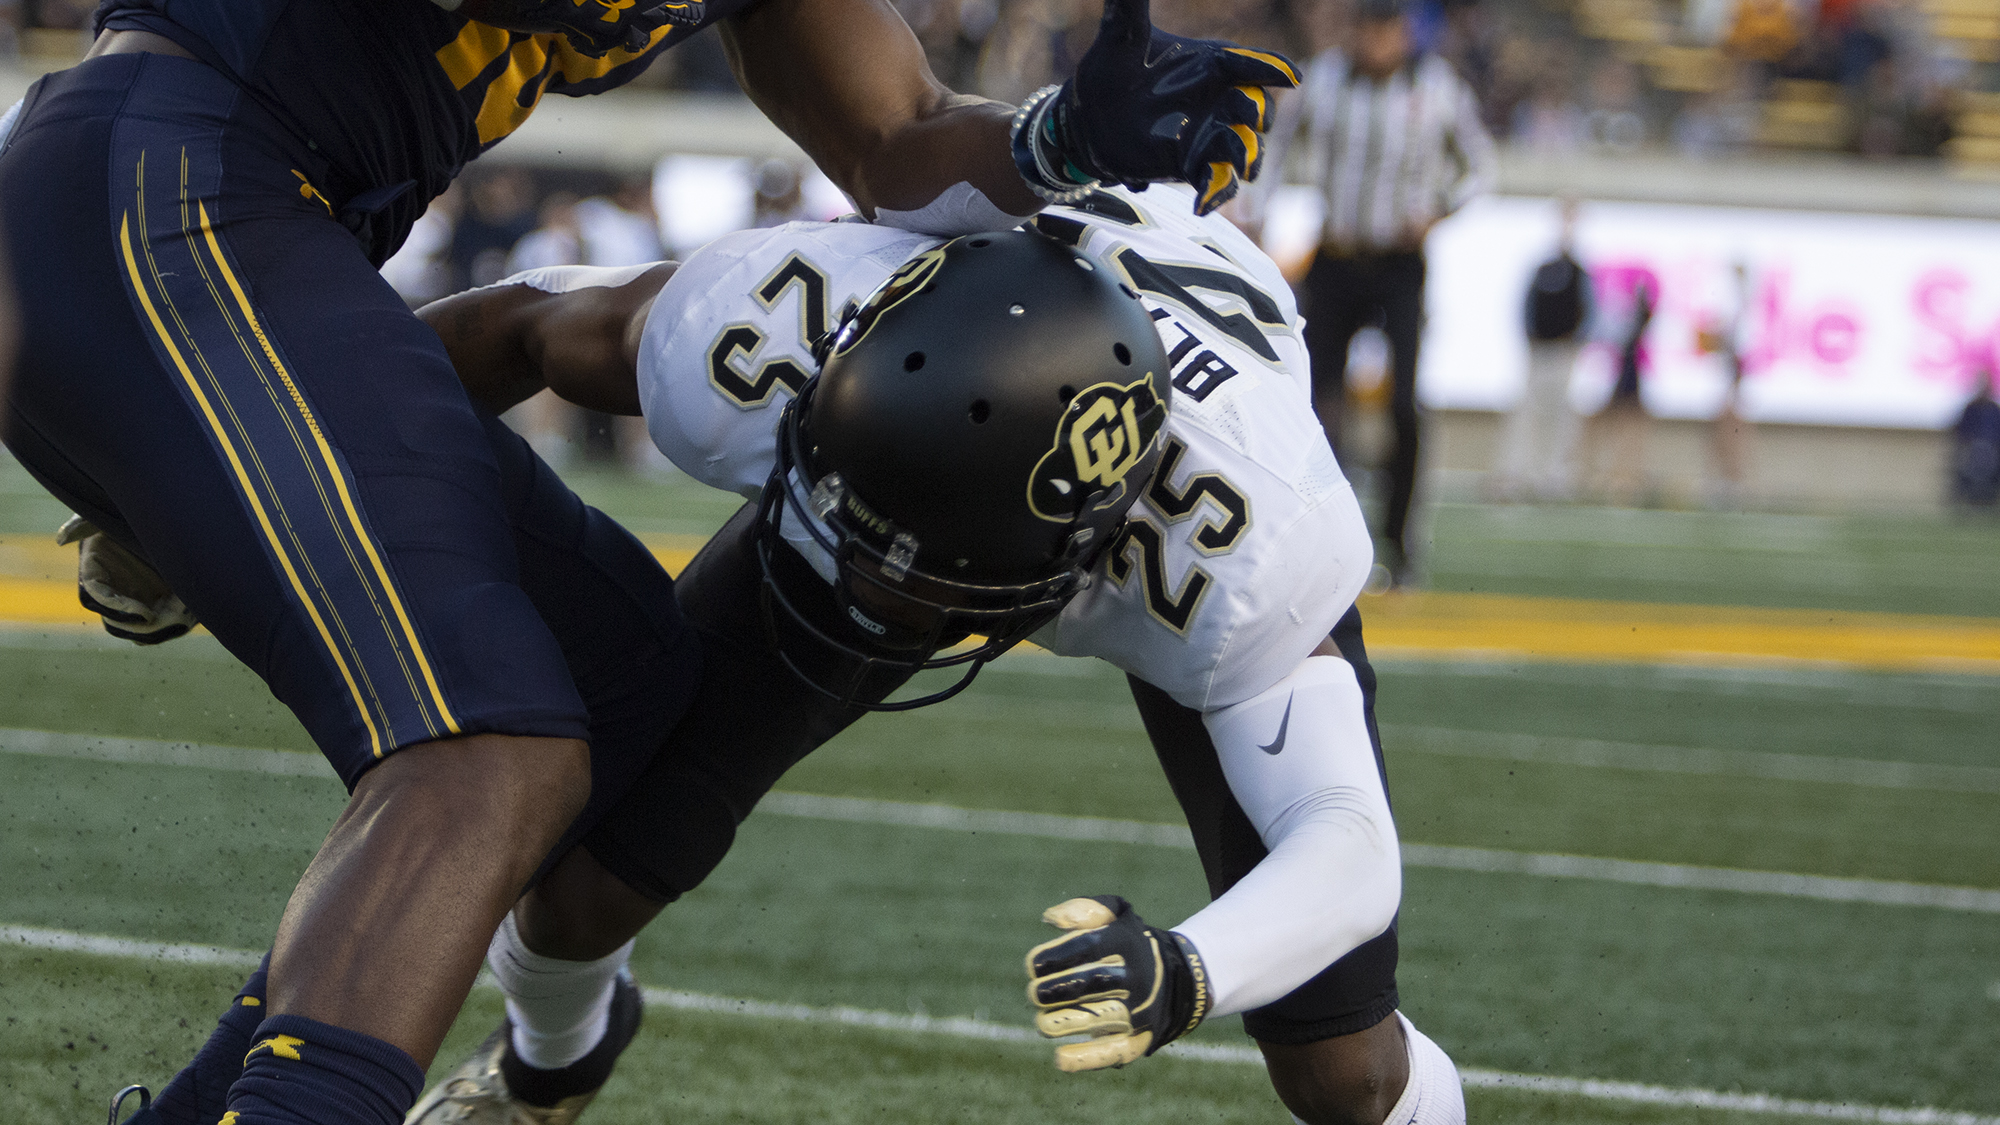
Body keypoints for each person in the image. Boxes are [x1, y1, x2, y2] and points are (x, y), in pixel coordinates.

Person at [0, 1, 1297, 1122]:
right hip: (168, 179)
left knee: (624, 677)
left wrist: (1063, 149)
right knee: (489, 745)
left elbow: (898, 137)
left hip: (258, 237)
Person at [405, 184, 1464, 1125]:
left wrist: (1193, 968)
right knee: (582, 879)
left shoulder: (1237, 543)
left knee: (1344, 1077)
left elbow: (1344, 843)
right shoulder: (770, 326)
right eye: (870, 551)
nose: (874, 597)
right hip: (900, 475)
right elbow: (497, 336)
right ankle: (550, 1066)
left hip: (1112, 509)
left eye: (928, 582)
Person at [1257, 0, 1494, 585]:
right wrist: (1256, 216)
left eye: (1386, 31)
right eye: (1368, 29)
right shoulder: (1326, 79)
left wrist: (1436, 211)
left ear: (1404, 33)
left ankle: (1400, 539)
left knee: (1402, 404)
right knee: (1316, 401)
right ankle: (1320, 537)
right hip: (1335, 255)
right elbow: (1274, 145)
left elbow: (1481, 167)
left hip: (1399, 260)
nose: (1376, 42)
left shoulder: (1437, 88)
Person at [1489, 195, 1589, 502]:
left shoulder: (1579, 271)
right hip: (1538, 351)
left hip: (1562, 351)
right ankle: (1515, 473)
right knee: (1527, 412)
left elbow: (1588, 311)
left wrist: (1575, 342)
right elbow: (1525, 307)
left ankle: (1553, 475)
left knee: (1559, 415)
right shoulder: (1543, 268)